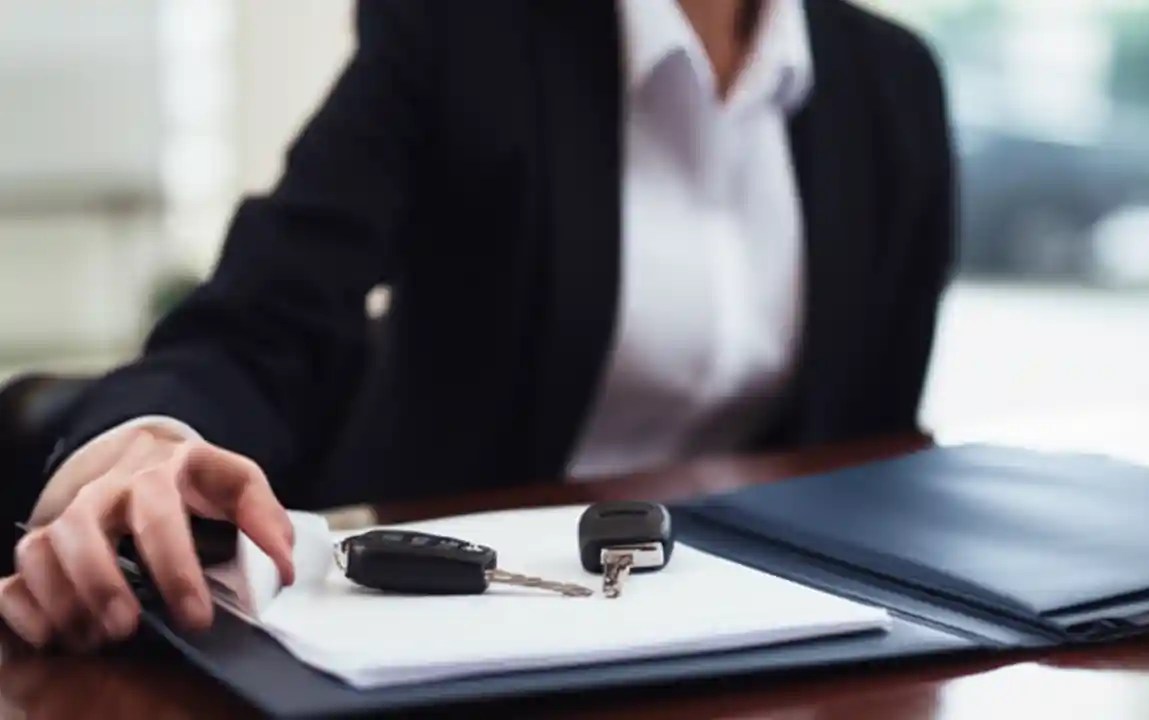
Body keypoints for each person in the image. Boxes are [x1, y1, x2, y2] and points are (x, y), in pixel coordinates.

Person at [0, 0, 954, 650]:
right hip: (453, 633)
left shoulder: (893, 84)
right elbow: (265, 319)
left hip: (751, 647)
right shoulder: (464, 29)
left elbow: (864, 467)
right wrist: (142, 443)